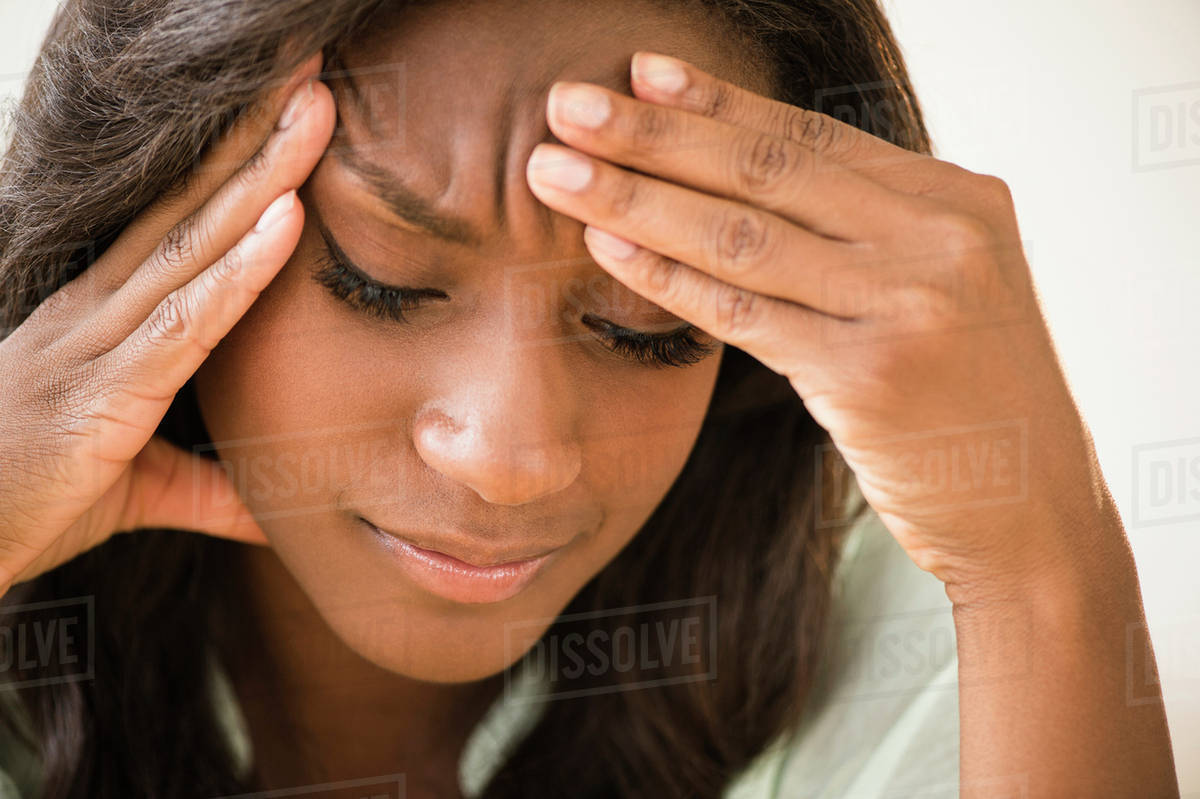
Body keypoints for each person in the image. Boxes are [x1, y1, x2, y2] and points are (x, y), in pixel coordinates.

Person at [0, 0, 1179, 796]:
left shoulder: (915, 659)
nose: (511, 457)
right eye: (384, 281)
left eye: (645, 325)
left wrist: (1042, 565)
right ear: (135, 219)